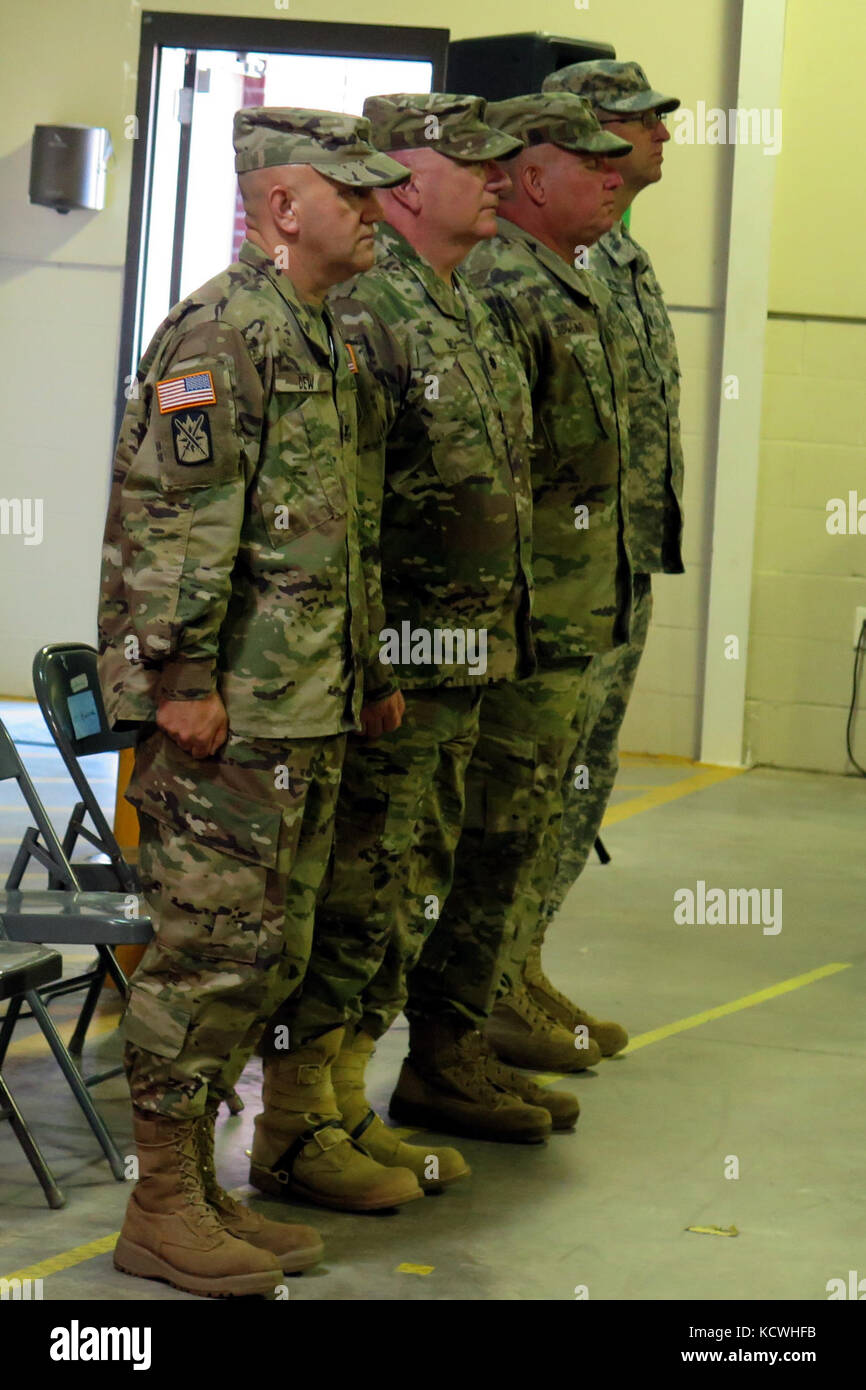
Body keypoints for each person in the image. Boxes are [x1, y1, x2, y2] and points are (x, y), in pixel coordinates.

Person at [97, 107, 411, 1297]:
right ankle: (159, 1200)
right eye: (355, 193)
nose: (378, 209)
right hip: (227, 714)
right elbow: (177, 526)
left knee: (266, 952)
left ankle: (207, 1187)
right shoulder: (219, 333)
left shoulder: (315, 329)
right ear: (284, 207)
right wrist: (178, 679)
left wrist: (366, 672)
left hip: (303, 704)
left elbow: (338, 532)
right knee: (204, 955)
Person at [248, 92, 552, 1204]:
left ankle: (338, 1095)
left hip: (457, 662)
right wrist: (373, 661)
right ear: (410, 182)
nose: (496, 178)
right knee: (353, 894)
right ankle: (293, 1119)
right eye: (468, 161)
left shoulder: (460, 303)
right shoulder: (370, 313)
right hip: (395, 666)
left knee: (402, 887)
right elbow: (352, 510)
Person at [392, 92, 635, 1129]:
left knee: (502, 837)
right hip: (454, 642)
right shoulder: (465, 293)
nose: (621, 167)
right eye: (476, 167)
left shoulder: (540, 281)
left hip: (531, 618)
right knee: (420, 865)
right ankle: (376, 1083)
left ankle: (458, 1044)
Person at [506, 61, 685, 1044]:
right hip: (551, 589)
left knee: (578, 786)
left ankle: (521, 965)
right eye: (630, 125)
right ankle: (487, 992)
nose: (650, 140)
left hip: (614, 570)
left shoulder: (616, 255)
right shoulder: (522, 265)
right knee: (524, 794)